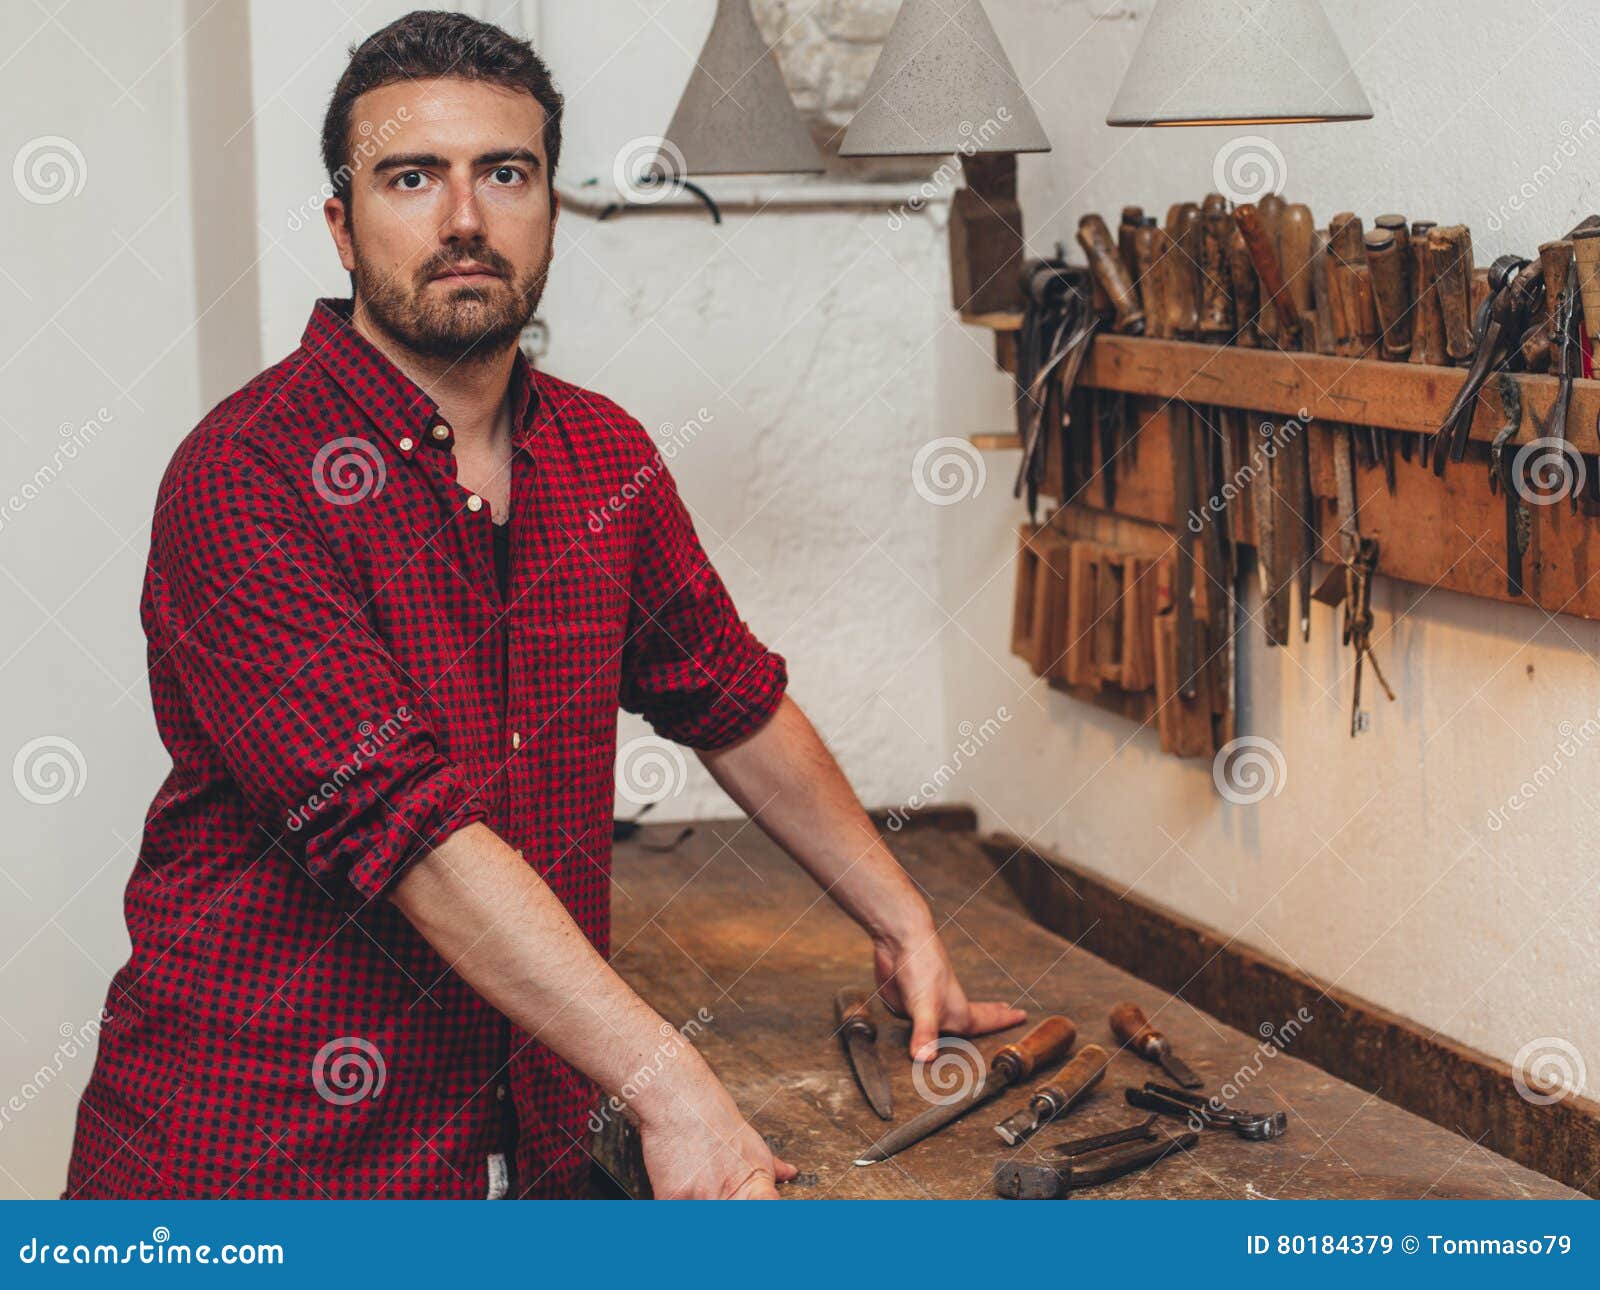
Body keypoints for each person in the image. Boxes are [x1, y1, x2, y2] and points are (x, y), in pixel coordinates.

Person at [66, 10, 1024, 1201]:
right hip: (264, 1163)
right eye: (412, 177)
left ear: (550, 213)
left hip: (529, 1144)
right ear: (341, 225)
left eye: (504, 174)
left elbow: (725, 693)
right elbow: (401, 828)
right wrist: (672, 1086)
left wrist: (901, 918)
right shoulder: (247, 473)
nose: (463, 219)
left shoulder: (601, 454)